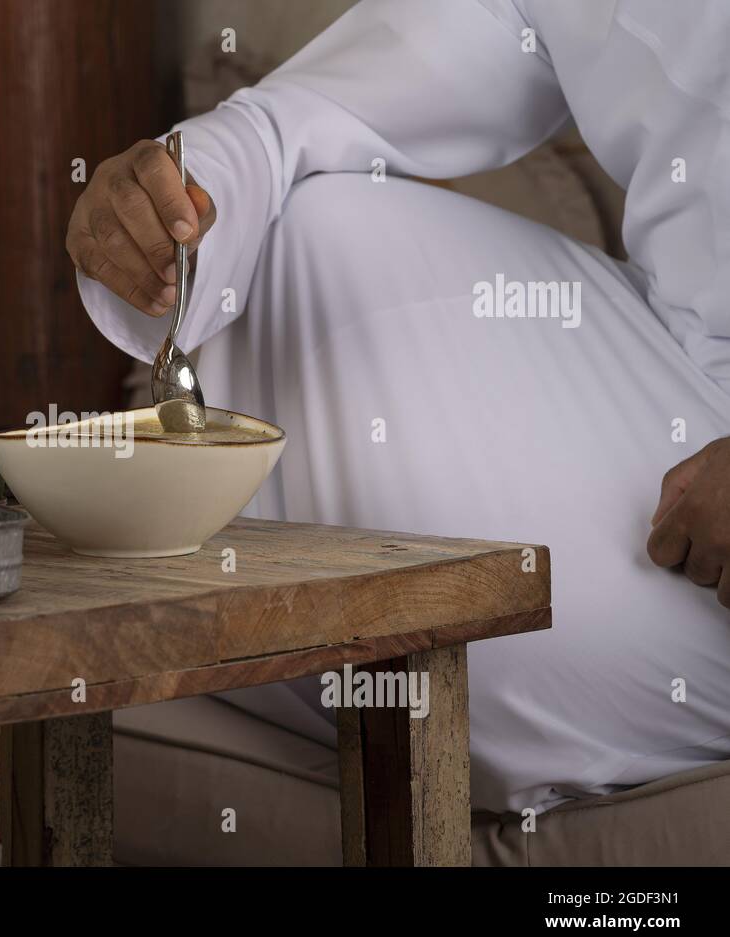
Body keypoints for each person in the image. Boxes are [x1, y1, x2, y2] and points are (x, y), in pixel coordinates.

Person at [67, 0, 730, 814]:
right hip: (681, 384)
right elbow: (297, 123)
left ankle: (289, 650)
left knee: (484, 653)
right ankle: (274, 632)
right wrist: (172, 196)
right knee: (314, 220)